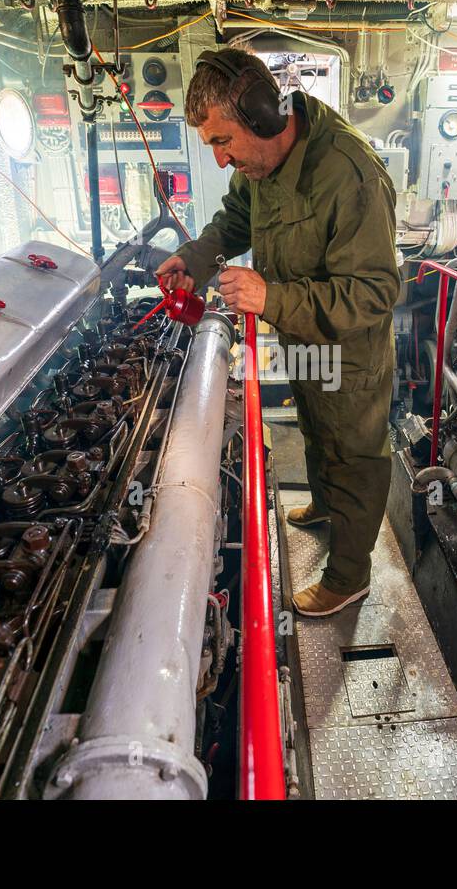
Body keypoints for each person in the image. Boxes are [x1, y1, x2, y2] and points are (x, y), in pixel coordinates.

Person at [156, 48, 400, 617]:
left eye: (223, 142)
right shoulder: (260, 164)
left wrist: (271, 297)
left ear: (265, 117)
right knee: (316, 427)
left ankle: (349, 575)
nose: (220, 160)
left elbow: (375, 292)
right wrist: (195, 258)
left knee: (354, 453)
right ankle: (323, 504)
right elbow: (236, 219)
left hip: (349, 353)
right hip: (302, 336)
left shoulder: (351, 176)